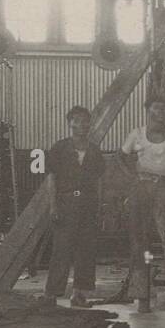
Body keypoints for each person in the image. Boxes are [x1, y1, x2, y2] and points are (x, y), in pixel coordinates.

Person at [113, 97, 165, 315]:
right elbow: (120, 157)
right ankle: (143, 298)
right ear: (148, 110)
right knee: (140, 244)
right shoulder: (136, 134)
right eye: (157, 108)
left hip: (164, 189)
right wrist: (132, 178)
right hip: (141, 189)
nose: (161, 112)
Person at [42, 105, 105, 308]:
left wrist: (100, 208)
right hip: (65, 203)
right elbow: (51, 179)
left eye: (85, 121)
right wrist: (53, 206)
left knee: (86, 251)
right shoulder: (59, 149)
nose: (82, 125)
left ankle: (79, 295)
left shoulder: (95, 151)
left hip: (88, 204)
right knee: (61, 250)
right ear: (69, 123)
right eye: (77, 120)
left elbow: (99, 182)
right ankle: (51, 294)